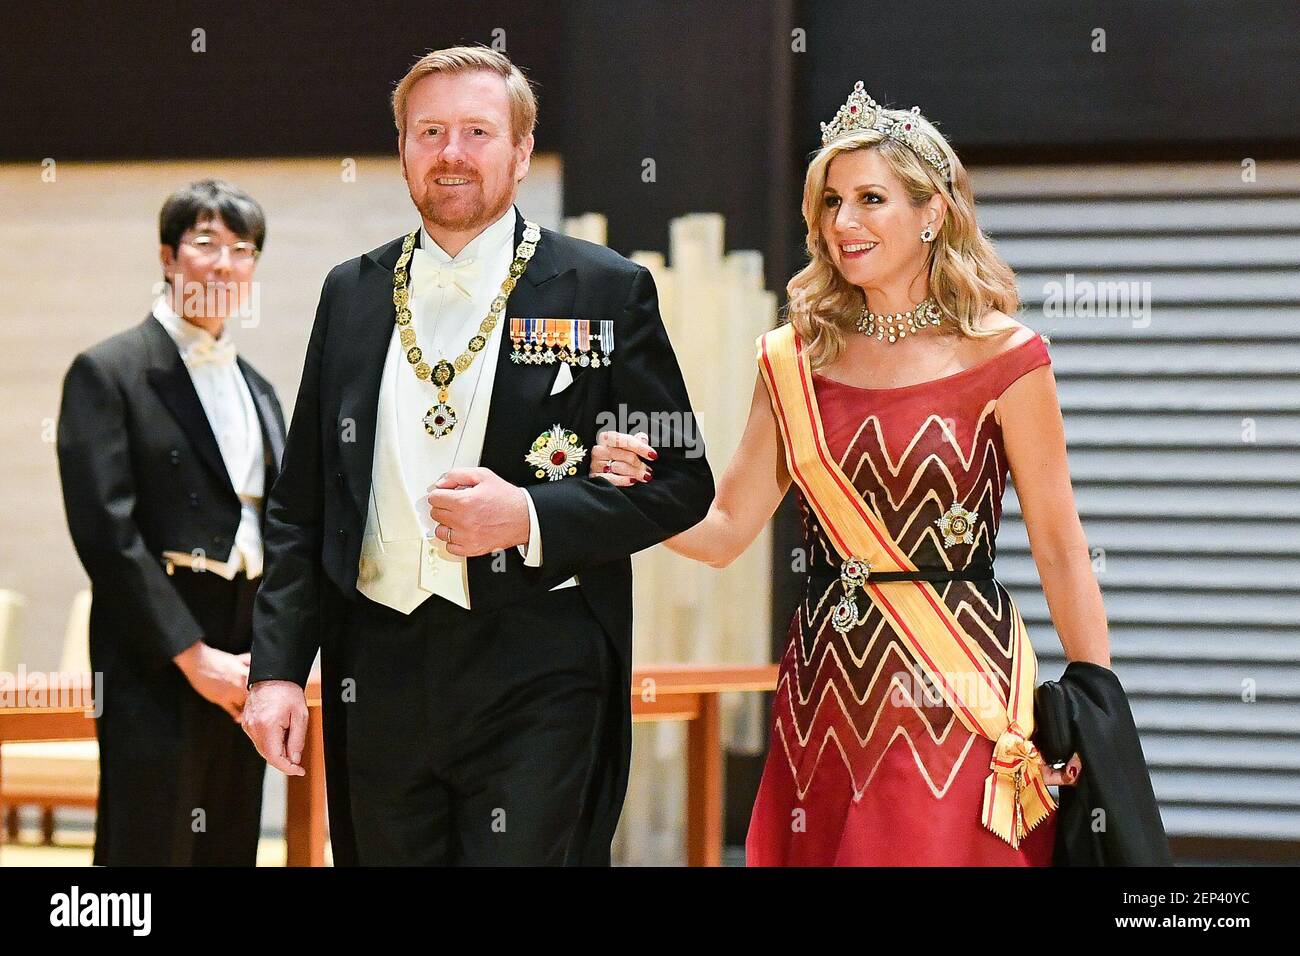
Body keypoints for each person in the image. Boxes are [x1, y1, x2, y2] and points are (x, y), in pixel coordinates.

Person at [589, 82, 1114, 865]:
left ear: (933, 212)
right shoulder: (792, 359)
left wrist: (1096, 701)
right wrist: (632, 492)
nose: (844, 223)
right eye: (831, 202)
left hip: (961, 688)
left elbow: (1061, 547)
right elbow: (728, 529)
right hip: (829, 692)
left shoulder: (1008, 358)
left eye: (872, 198)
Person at [241, 46, 713, 866]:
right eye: (429, 131)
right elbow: (302, 502)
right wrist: (278, 670)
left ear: (521, 153)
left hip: (537, 666)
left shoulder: (605, 289)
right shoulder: (349, 292)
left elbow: (681, 481)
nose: (450, 152)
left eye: (476, 131)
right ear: (403, 150)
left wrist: (529, 514)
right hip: (376, 667)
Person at [56, 179, 285, 865]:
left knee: (230, 838)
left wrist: (275, 656)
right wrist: (191, 654)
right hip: (154, 643)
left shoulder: (260, 387)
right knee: (149, 844)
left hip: (245, 645)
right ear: (167, 255)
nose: (223, 264)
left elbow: (277, 528)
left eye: (242, 251)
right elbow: (108, 533)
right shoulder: (108, 371)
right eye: (206, 244)